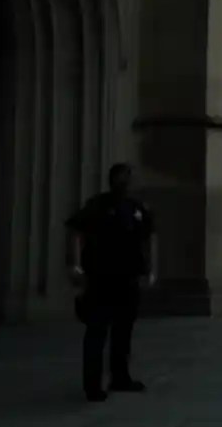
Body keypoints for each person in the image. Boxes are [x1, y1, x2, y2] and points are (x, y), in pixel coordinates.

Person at [67, 163, 156, 402]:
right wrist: (75, 265)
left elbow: (148, 239)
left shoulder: (137, 208)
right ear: (112, 180)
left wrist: (150, 270)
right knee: (97, 330)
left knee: (123, 331)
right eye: (121, 178)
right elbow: (77, 231)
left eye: (128, 178)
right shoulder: (97, 205)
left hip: (128, 278)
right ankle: (93, 384)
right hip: (101, 277)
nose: (125, 183)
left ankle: (120, 376)